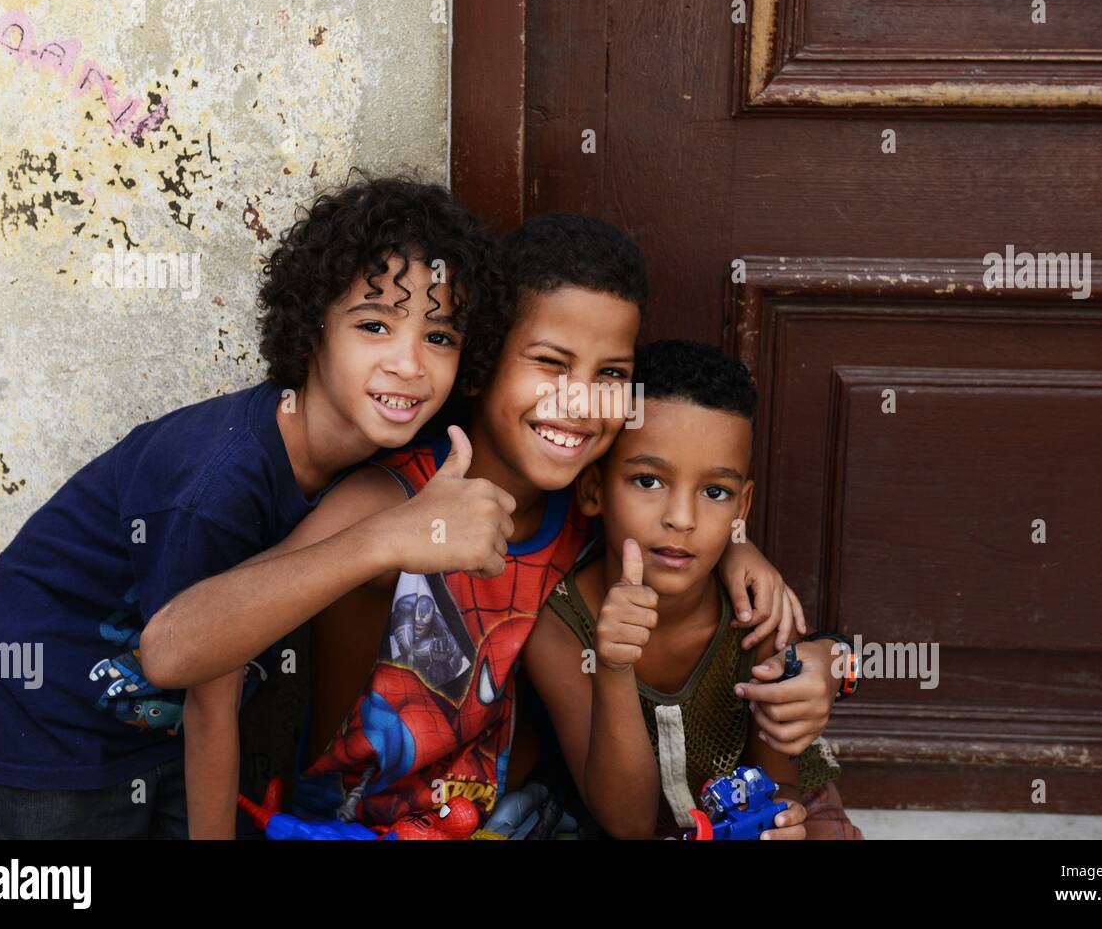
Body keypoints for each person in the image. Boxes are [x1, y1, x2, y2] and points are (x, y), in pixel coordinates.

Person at [145, 213, 822, 834]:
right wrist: (386, 539)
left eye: (609, 373)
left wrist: (738, 547)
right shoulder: (390, 499)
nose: (579, 402)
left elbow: (680, 494)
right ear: (481, 364)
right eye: (550, 363)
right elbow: (177, 650)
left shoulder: (586, 501)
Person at [0, 173, 513, 839]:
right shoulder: (222, 482)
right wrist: (385, 539)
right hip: (46, 737)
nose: (409, 363)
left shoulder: (379, 449)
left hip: (160, 733)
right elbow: (186, 669)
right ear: (310, 332)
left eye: (439, 337)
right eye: (373, 324)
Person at [524, 339, 864, 839]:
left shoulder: (754, 612)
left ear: (741, 508)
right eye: (647, 481)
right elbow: (628, 823)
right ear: (593, 489)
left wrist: (783, 820)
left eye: (715, 492)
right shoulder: (561, 629)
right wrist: (615, 665)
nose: (681, 519)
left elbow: (781, 783)